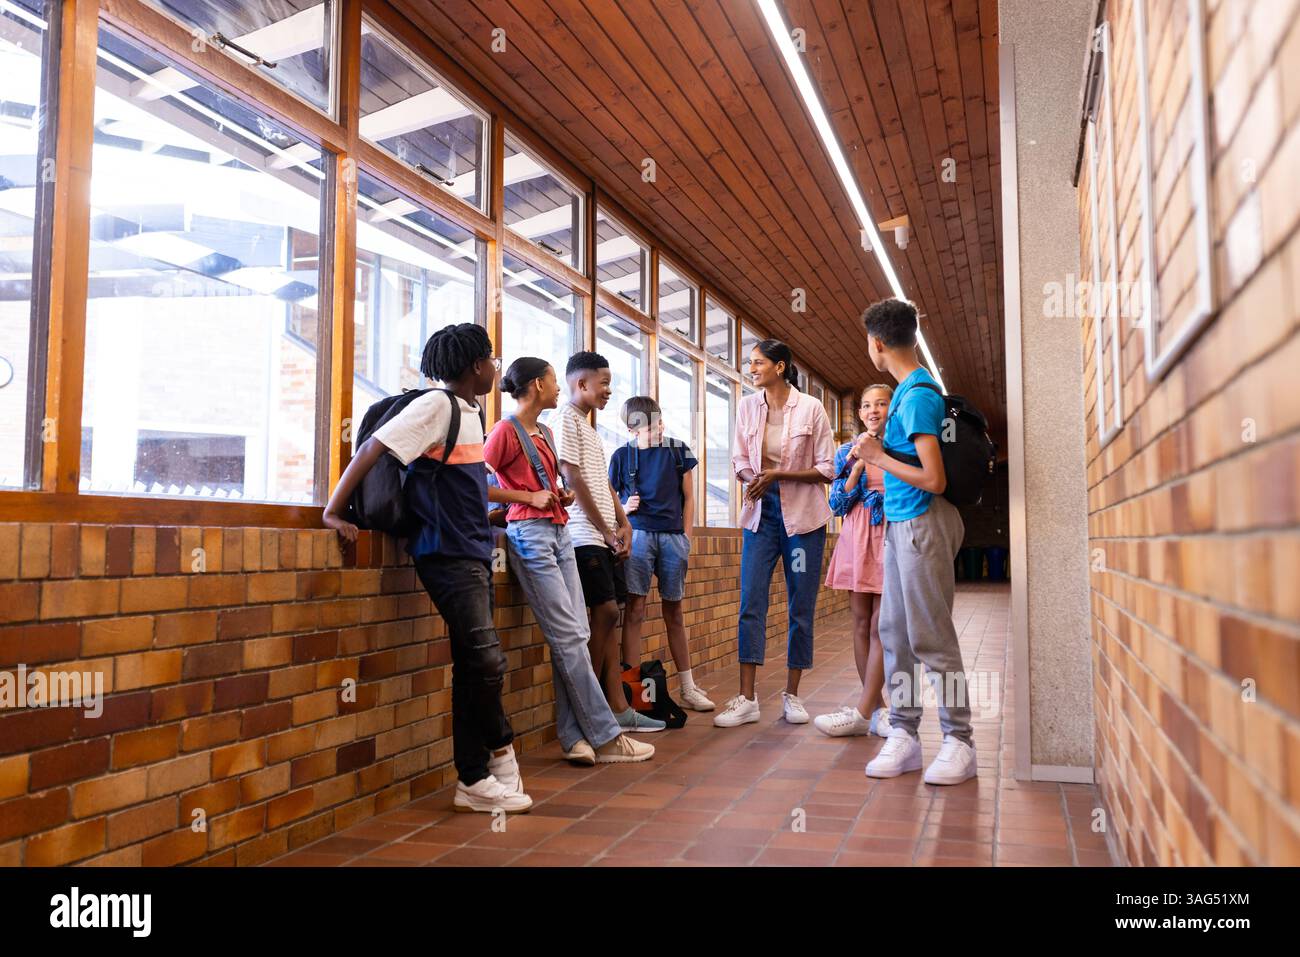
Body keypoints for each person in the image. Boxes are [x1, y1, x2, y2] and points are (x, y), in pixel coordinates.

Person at [321, 323, 530, 814]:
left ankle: (472, 779)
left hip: (474, 549)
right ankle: (498, 753)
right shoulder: (437, 405)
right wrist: (333, 511)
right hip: (446, 554)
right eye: (491, 359)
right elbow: (372, 448)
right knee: (486, 661)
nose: (495, 368)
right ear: (475, 365)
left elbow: (457, 485)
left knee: (473, 664)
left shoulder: (471, 412)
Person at [483, 356, 655, 765]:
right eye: (552, 380)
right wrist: (527, 497)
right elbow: (475, 483)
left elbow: (556, 481)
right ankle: (606, 736)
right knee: (569, 637)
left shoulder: (544, 432)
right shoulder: (504, 430)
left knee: (576, 635)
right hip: (531, 535)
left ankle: (573, 736)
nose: (558, 387)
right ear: (537, 385)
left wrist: (561, 495)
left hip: (560, 532)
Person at [854, 298, 976, 786]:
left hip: (924, 522)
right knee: (895, 633)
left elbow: (934, 478)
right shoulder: (905, 393)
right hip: (901, 525)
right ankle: (904, 734)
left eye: (868, 342)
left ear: (878, 343)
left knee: (932, 636)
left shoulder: (919, 395)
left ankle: (960, 740)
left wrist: (877, 456)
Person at [714, 339, 835, 728]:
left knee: (800, 604)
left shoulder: (811, 408)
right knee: (751, 601)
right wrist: (751, 478)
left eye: (758, 363)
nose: (751, 369)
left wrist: (779, 475)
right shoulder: (748, 407)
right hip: (760, 516)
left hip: (803, 520)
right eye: (750, 363)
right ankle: (747, 698)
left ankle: (793, 695)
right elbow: (738, 457)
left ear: (780, 367)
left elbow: (828, 468)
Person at [553, 352, 666, 733]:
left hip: (604, 537)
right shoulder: (565, 419)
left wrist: (624, 524)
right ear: (581, 384)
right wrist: (605, 529)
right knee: (604, 613)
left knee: (612, 614)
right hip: (582, 536)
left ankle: (616, 707)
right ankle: (589, 705)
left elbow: (602, 484)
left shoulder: (589, 428)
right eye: (603, 383)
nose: (608, 390)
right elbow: (571, 477)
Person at [610, 395, 715, 712]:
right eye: (651, 426)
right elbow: (610, 499)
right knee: (635, 611)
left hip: (672, 537)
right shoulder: (620, 457)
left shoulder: (679, 451)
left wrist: (687, 537)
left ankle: (688, 688)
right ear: (632, 429)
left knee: (675, 612)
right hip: (638, 536)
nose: (659, 429)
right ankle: (633, 694)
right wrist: (624, 509)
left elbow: (689, 497)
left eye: (659, 422)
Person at [813, 384, 894, 738]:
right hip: (857, 535)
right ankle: (876, 709)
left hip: (890, 536)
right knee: (861, 624)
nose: (873, 410)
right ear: (860, 413)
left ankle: (865, 710)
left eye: (881, 403)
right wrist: (858, 469)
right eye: (867, 405)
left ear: (892, 408)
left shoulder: (901, 448)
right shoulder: (847, 451)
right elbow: (837, 505)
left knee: (881, 626)